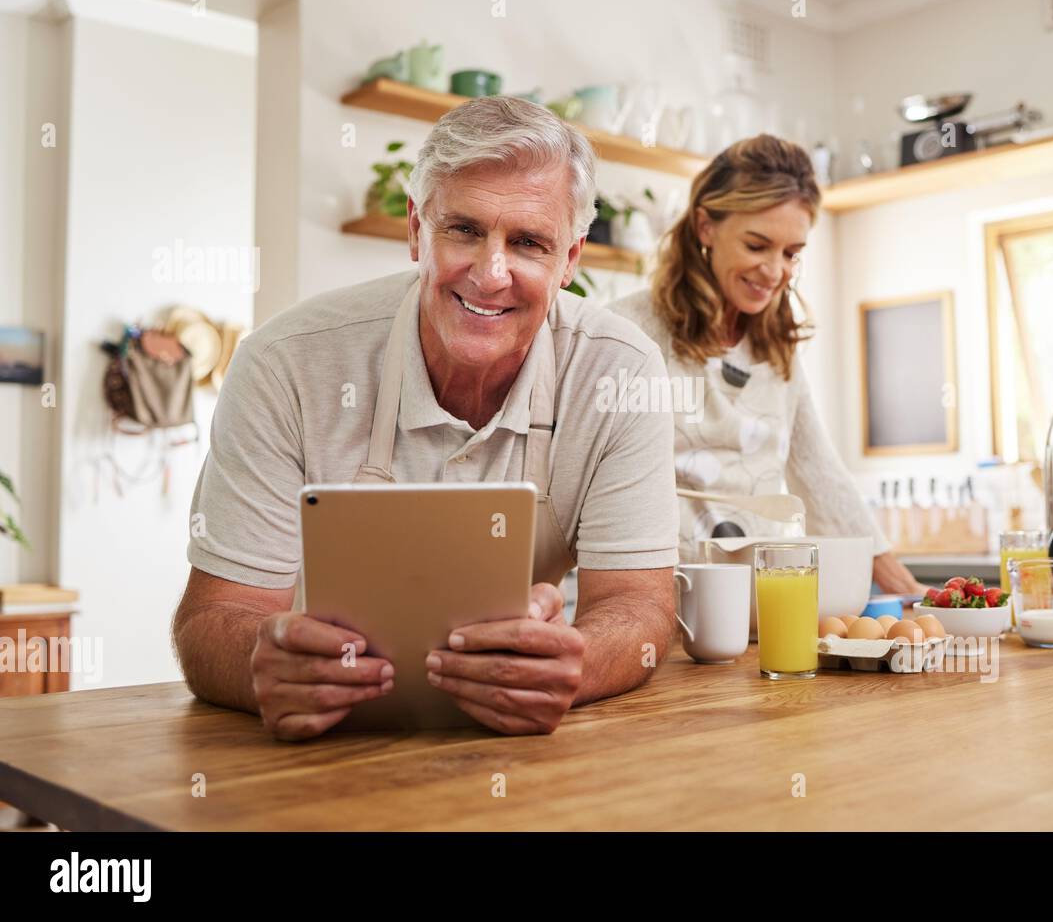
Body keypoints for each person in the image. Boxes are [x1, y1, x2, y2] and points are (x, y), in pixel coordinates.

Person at [172, 96, 680, 740]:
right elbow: (212, 618)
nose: (491, 274)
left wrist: (573, 669)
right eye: (463, 230)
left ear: (571, 261)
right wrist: (258, 665)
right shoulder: (283, 366)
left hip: (518, 754)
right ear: (416, 230)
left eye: (527, 242)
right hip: (322, 749)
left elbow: (637, 605)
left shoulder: (622, 374)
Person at [609, 134, 925, 596]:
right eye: (757, 246)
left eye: (791, 253)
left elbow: (818, 473)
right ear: (705, 227)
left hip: (761, 608)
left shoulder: (777, 349)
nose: (776, 271)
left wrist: (908, 590)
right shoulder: (626, 333)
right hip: (654, 608)